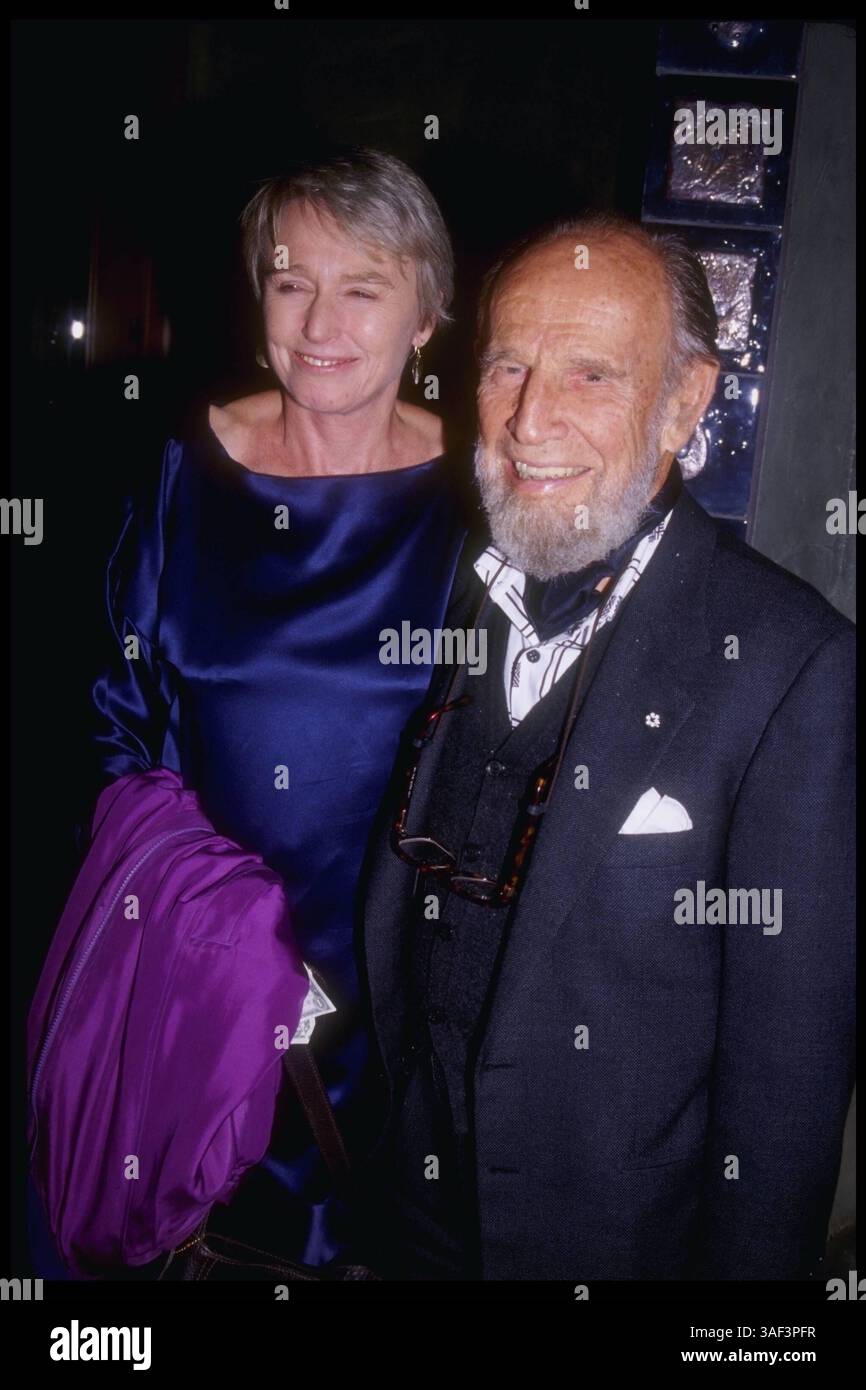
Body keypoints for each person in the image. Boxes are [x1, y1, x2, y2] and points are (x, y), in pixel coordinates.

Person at [360, 214, 856, 1281]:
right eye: (505, 366)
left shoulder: (789, 666)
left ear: (682, 402)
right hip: (410, 1211)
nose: (530, 421)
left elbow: (787, 1080)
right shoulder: (450, 584)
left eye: (590, 374)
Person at [76, 147, 468, 1273]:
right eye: (292, 280)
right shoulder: (183, 474)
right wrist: (213, 932)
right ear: (258, 302)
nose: (320, 319)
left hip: (400, 979)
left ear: (426, 317)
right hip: (206, 963)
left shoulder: (477, 497)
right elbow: (117, 717)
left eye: (364, 286)